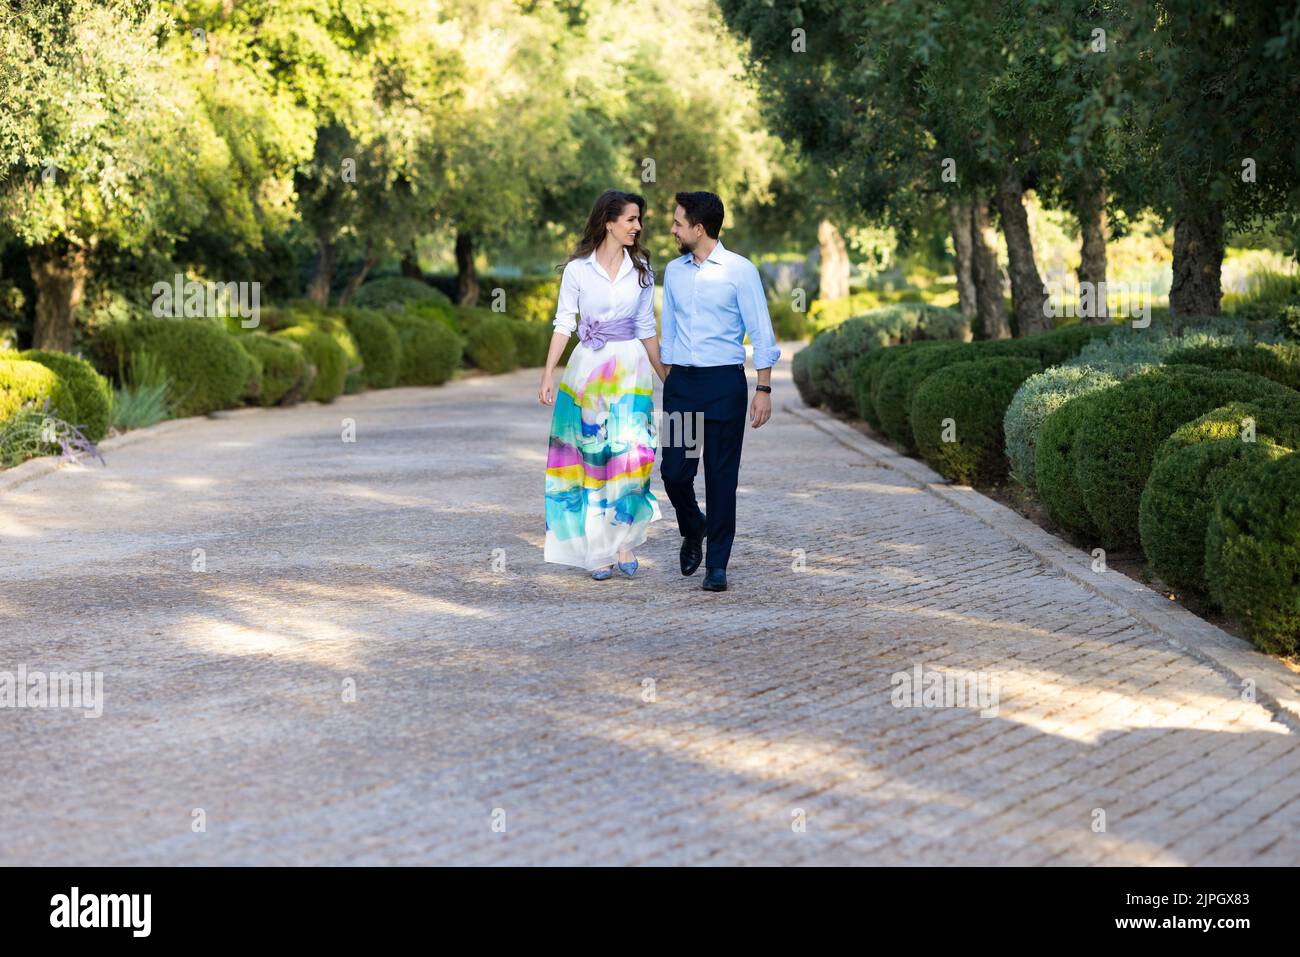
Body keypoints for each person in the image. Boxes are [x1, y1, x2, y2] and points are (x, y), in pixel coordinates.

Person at [539, 189, 668, 580]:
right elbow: (564, 322)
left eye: (639, 220)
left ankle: (623, 540)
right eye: (631, 219)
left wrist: (667, 377)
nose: (638, 227)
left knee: (632, 454)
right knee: (594, 456)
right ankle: (598, 550)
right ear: (608, 221)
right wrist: (548, 373)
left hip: (631, 371)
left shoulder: (642, 267)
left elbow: (647, 328)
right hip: (590, 371)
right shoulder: (579, 270)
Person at [659, 190, 779, 592]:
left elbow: (761, 330)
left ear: (699, 228)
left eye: (678, 223)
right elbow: (670, 328)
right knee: (674, 473)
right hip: (683, 386)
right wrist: (670, 376)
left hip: (724, 384)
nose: (673, 229)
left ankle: (717, 564)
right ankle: (694, 527)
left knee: (721, 477)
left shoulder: (740, 270)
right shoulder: (674, 272)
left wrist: (763, 387)